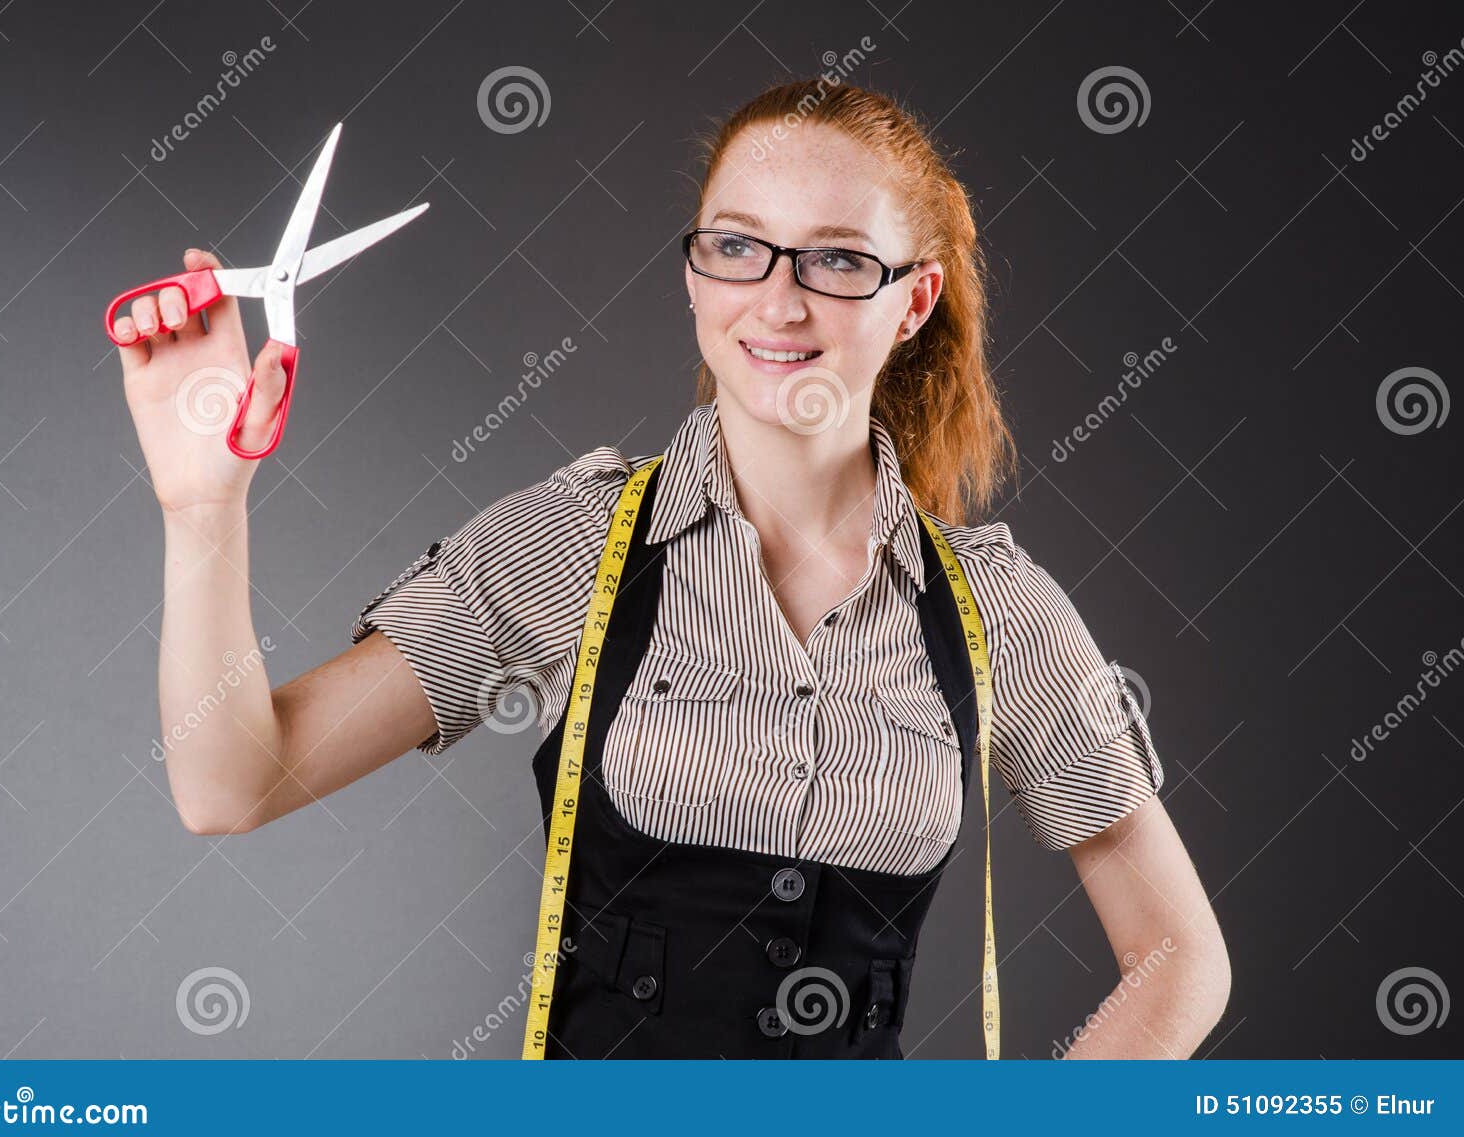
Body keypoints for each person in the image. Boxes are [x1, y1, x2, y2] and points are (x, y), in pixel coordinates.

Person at [113, 79, 1230, 1059]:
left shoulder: (994, 609)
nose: (778, 300)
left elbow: (1181, 959)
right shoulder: (571, 544)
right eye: (738, 246)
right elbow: (232, 784)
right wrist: (202, 503)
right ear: (695, 276)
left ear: (914, 301)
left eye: (838, 259)